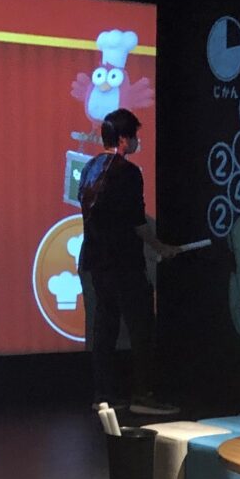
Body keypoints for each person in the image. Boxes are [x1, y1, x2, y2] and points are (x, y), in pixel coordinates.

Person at [78, 108, 179, 415]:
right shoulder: (128, 172)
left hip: (96, 262)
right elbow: (137, 222)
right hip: (125, 263)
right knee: (140, 328)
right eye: (134, 136)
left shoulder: (89, 169)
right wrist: (161, 247)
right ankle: (143, 395)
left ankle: (103, 395)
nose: (137, 142)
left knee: (104, 329)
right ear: (123, 139)